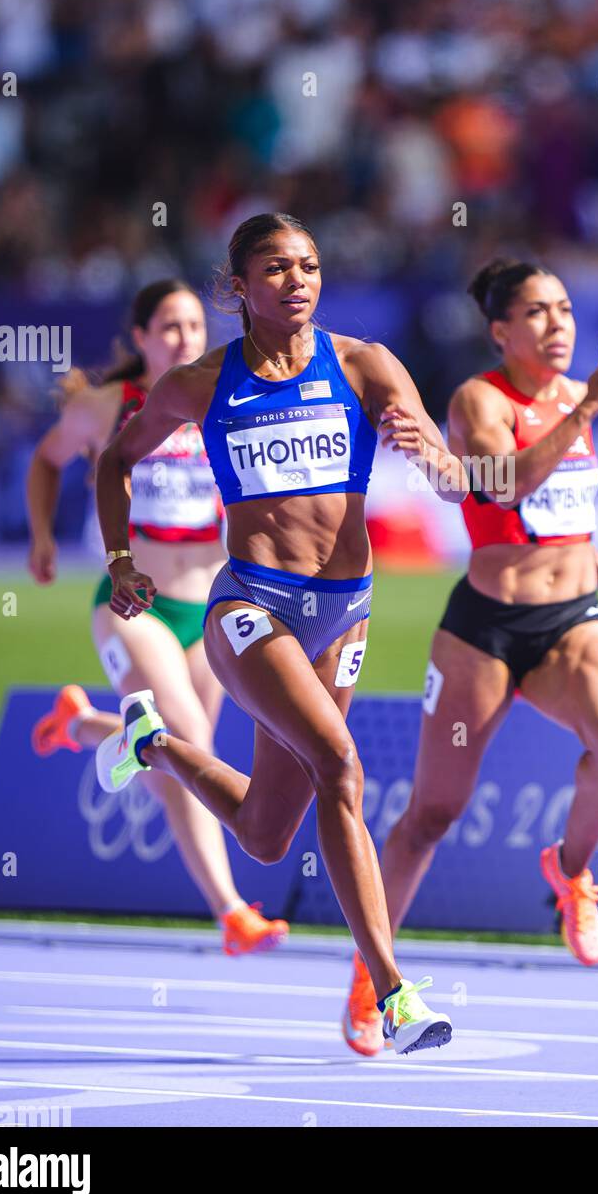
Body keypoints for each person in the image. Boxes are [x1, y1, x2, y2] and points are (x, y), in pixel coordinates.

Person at [93, 212, 471, 1055]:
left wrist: (434, 459)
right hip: (250, 606)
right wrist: (122, 561)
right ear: (236, 289)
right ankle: (393, 989)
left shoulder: (366, 365)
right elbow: (115, 461)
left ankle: (154, 742)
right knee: (340, 763)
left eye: (308, 265)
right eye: (274, 268)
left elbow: (452, 482)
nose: (297, 280)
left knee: (266, 834)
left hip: (345, 610)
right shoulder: (200, 383)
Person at [342, 258, 598, 1055]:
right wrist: (583, 412)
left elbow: (558, 504)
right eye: (538, 313)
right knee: (433, 814)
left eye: (567, 309)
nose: (559, 325)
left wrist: (589, 549)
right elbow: (502, 488)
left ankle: (572, 872)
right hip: (485, 631)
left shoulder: (571, 398)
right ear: (501, 330)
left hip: (571, 619)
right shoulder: (482, 400)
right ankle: (374, 972)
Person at [26, 279, 288, 955]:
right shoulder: (103, 408)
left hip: (208, 611)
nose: (184, 340)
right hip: (133, 606)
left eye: (195, 327)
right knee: (187, 735)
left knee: (178, 760)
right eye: (169, 327)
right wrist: (43, 537)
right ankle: (232, 911)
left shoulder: (221, 401)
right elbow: (47, 460)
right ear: (140, 337)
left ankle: (81, 725)